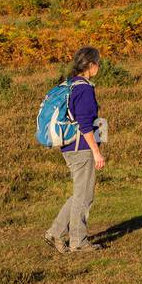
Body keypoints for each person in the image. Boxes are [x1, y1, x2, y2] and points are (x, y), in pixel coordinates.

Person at [45, 46, 105, 254]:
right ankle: (78, 241)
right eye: (97, 63)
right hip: (81, 147)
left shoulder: (70, 84)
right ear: (90, 65)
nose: (99, 66)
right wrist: (96, 152)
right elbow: (85, 124)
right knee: (85, 195)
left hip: (69, 147)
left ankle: (56, 232)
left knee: (80, 193)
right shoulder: (85, 89)